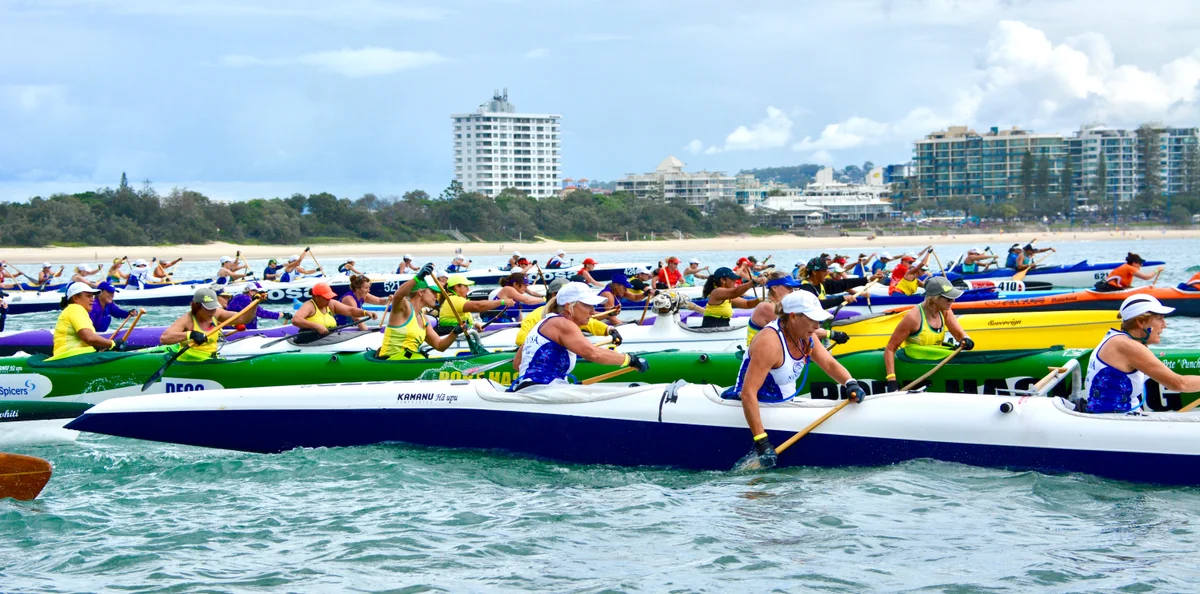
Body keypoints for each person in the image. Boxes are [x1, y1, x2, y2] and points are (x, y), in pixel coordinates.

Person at [728, 290, 867, 469]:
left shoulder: (807, 337)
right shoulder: (769, 342)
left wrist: (850, 382)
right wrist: (761, 441)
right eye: (813, 319)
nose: (818, 326)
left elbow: (830, 365)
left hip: (784, 404)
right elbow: (748, 394)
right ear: (793, 317)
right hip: (757, 404)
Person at [511, 282, 647, 389]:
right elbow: (593, 354)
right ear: (569, 307)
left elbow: (518, 364)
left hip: (532, 388)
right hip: (541, 390)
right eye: (588, 306)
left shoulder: (544, 322)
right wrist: (630, 360)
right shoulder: (563, 324)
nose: (593, 312)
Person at [1082, 294, 1200, 413]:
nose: (1164, 325)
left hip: (1116, 417)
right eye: (1159, 319)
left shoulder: (1116, 338)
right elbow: (1179, 384)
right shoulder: (1126, 345)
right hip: (1115, 421)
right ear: (1140, 322)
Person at [882, 277, 975, 391]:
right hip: (917, 365)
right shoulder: (913, 318)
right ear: (935, 298)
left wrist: (966, 340)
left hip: (936, 363)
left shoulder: (945, 310)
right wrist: (891, 380)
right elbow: (890, 349)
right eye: (949, 299)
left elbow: (960, 335)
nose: (953, 301)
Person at [377, 264, 463, 359]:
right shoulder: (404, 308)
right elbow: (398, 296)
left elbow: (439, 345)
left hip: (409, 359)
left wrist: (455, 332)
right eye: (433, 292)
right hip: (390, 360)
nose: (436, 296)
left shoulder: (424, 320)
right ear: (421, 292)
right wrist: (418, 277)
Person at [749, 271, 849, 347]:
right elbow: (796, 329)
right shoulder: (766, 307)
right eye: (788, 288)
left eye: (793, 288)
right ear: (774, 288)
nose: (792, 291)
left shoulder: (784, 307)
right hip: (759, 352)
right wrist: (831, 334)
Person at [517, 278, 620, 347]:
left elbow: (591, 323)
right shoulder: (535, 316)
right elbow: (520, 340)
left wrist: (609, 329)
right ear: (554, 295)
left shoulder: (570, 315)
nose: (591, 310)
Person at [160, 287, 248, 361]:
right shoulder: (186, 319)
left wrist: (256, 302)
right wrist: (191, 334)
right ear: (196, 307)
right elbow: (164, 338)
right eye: (208, 308)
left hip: (211, 359)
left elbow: (244, 318)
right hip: (191, 361)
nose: (212, 311)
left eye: (213, 307)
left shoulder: (216, 313)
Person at [49, 282, 120, 360]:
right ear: (76, 298)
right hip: (69, 356)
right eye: (88, 296)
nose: (92, 300)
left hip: (74, 355)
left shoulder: (73, 310)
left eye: (92, 296)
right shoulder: (75, 309)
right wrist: (113, 344)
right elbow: (89, 338)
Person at [435, 274, 509, 335]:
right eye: (466, 286)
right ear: (457, 287)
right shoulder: (454, 300)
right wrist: (502, 302)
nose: (468, 289)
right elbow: (479, 306)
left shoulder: (453, 298)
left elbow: (465, 319)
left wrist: (475, 324)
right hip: (453, 335)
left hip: (458, 333)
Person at [293, 282, 376, 336]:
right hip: (311, 339)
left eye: (329, 297)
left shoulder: (331, 303)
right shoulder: (309, 305)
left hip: (330, 337)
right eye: (326, 297)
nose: (328, 299)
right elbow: (296, 320)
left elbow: (350, 310)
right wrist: (317, 326)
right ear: (316, 297)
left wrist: (365, 312)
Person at [801, 257, 880, 308]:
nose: (827, 273)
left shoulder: (822, 283)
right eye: (824, 271)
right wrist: (842, 299)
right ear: (814, 272)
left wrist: (868, 279)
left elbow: (843, 284)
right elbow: (819, 305)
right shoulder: (806, 288)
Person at [226, 282, 291, 329]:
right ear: (251, 292)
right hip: (235, 329)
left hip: (241, 328)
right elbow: (261, 313)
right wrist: (282, 315)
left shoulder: (243, 297)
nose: (262, 294)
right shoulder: (245, 298)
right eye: (259, 292)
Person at [1096, 252, 1161, 292]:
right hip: (1111, 288)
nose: (1141, 265)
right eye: (1140, 263)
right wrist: (1157, 270)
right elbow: (1146, 277)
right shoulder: (1130, 268)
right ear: (1134, 263)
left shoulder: (1126, 266)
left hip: (1113, 288)